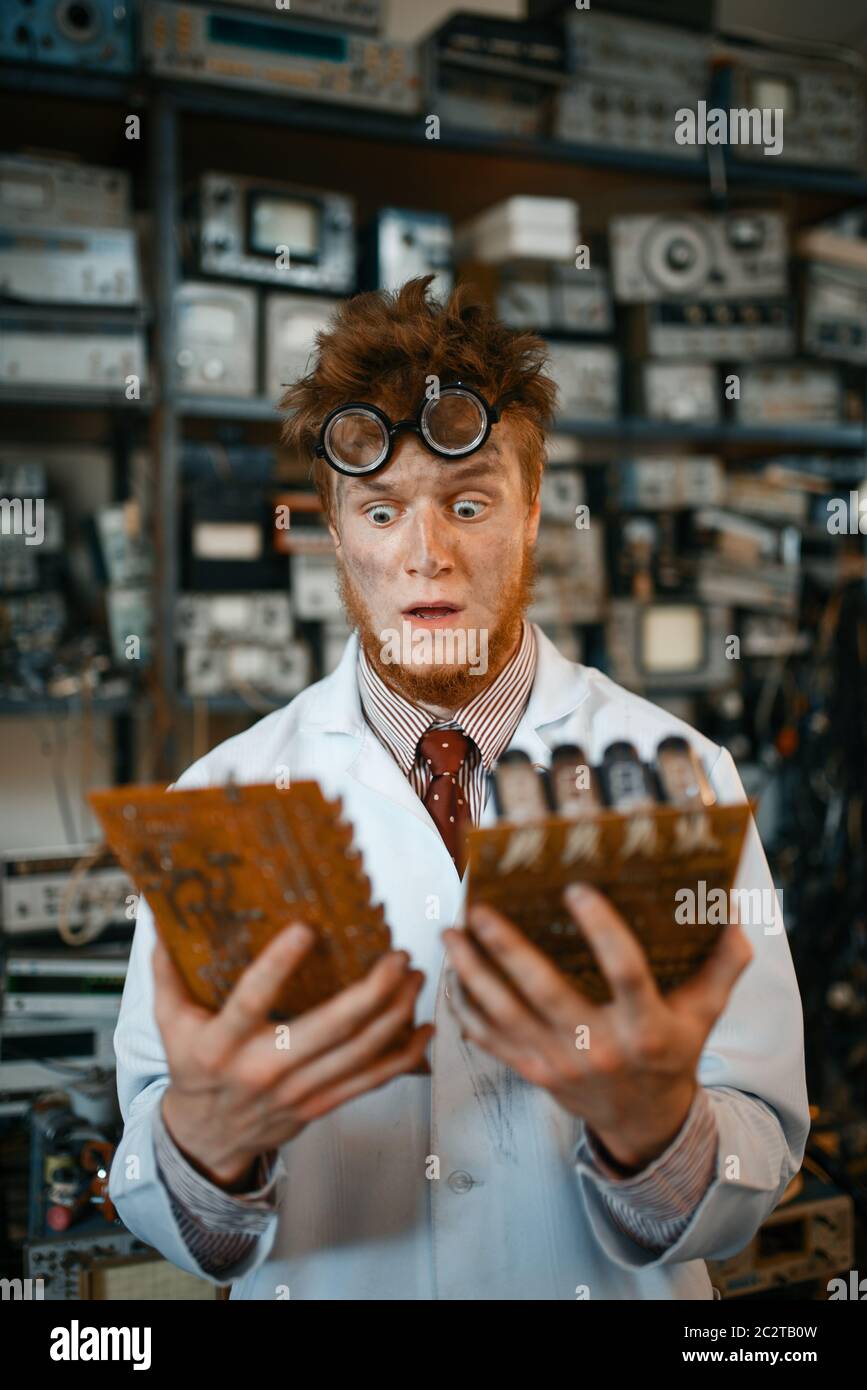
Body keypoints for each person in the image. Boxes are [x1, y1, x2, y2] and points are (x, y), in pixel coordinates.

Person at [110, 276, 809, 1300]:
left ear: (531, 516)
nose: (425, 555)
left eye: (468, 503)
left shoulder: (680, 775)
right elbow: (147, 1179)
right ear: (335, 532)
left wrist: (658, 1133)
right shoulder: (222, 793)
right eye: (381, 509)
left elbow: (764, 1146)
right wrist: (205, 1145)